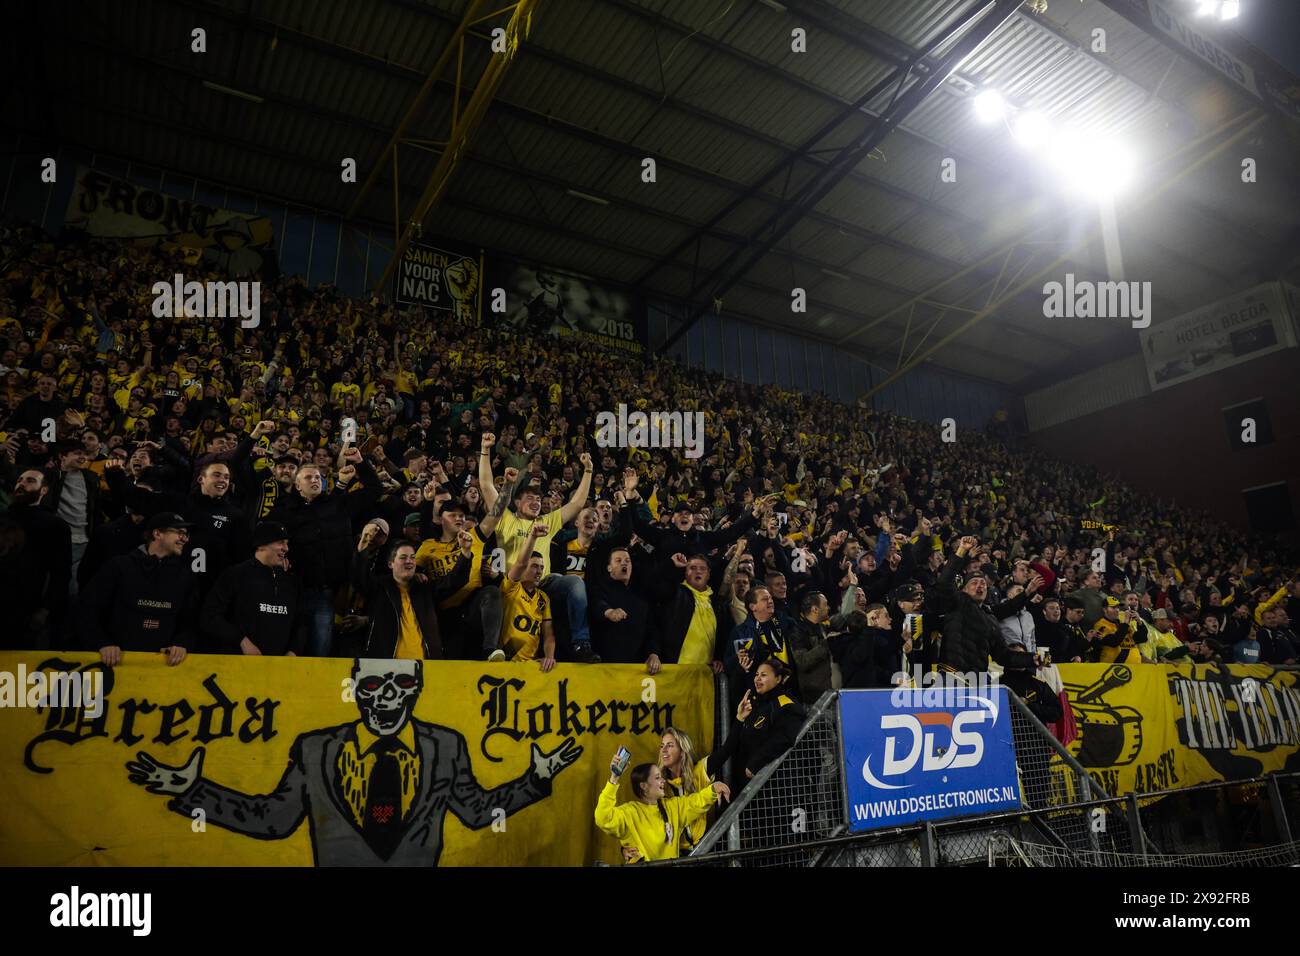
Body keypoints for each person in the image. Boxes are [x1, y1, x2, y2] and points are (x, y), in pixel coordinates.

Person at [479, 434, 599, 662]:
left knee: (575, 582)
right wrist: (485, 450)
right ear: (516, 502)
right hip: (512, 583)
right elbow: (486, 485)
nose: (536, 501)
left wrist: (588, 471)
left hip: (542, 582)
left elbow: (576, 504)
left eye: (538, 498)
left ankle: (581, 644)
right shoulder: (505, 517)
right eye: (530, 497)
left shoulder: (546, 521)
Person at [269, 445, 380, 656]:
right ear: (297, 485)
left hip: (328, 593)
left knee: (320, 648)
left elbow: (375, 489)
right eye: (309, 477)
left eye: (318, 477)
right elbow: (266, 538)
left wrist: (359, 461)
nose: (315, 480)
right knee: (288, 647)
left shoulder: (338, 504)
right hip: (291, 590)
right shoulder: (283, 512)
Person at [78, 511, 197, 667]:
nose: (185, 539)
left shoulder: (186, 576)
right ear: (157, 533)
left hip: (164, 669)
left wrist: (182, 643)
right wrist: (102, 643)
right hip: (115, 665)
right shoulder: (119, 567)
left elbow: (191, 620)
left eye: (186, 534)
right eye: (180, 533)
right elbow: (87, 609)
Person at [353, 523, 471, 660]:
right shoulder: (379, 587)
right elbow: (359, 578)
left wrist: (465, 552)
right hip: (385, 669)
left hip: (427, 669)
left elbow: (453, 582)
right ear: (390, 564)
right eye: (403, 558)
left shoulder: (424, 588)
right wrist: (364, 545)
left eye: (412, 557)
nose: (409, 561)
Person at [594, 752, 730, 864]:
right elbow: (603, 818)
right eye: (658, 777)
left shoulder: (672, 807)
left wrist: (713, 789)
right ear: (644, 786)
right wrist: (614, 777)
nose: (663, 781)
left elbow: (695, 802)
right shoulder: (630, 813)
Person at [201, 521, 307, 656]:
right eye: (280, 542)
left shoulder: (292, 581)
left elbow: (301, 623)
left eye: (287, 543)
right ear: (262, 545)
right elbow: (210, 616)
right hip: (238, 664)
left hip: (280, 669)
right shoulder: (235, 574)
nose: (286, 548)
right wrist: (241, 641)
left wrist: (293, 651)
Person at [0, 468, 72, 647]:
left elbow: (60, 574)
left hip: (23, 610)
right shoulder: (2, 518)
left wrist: (45, 610)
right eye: (20, 479)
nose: (22, 483)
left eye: (30, 480)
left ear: (44, 490)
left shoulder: (55, 526)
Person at [710, 659, 805, 793]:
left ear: (778, 679)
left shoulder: (787, 705)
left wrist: (755, 763)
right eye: (756, 675)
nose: (757, 679)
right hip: (745, 782)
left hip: (774, 786)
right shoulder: (754, 701)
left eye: (763, 675)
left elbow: (784, 737)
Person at [491, 521, 557, 670]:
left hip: (531, 666)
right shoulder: (511, 587)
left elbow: (548, 635)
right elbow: (521, 563)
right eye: (534, 566)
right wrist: (532, 537)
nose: (539, 571)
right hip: (504, 662)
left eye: (541, 567)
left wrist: (549, 657)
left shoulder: (543, 598)